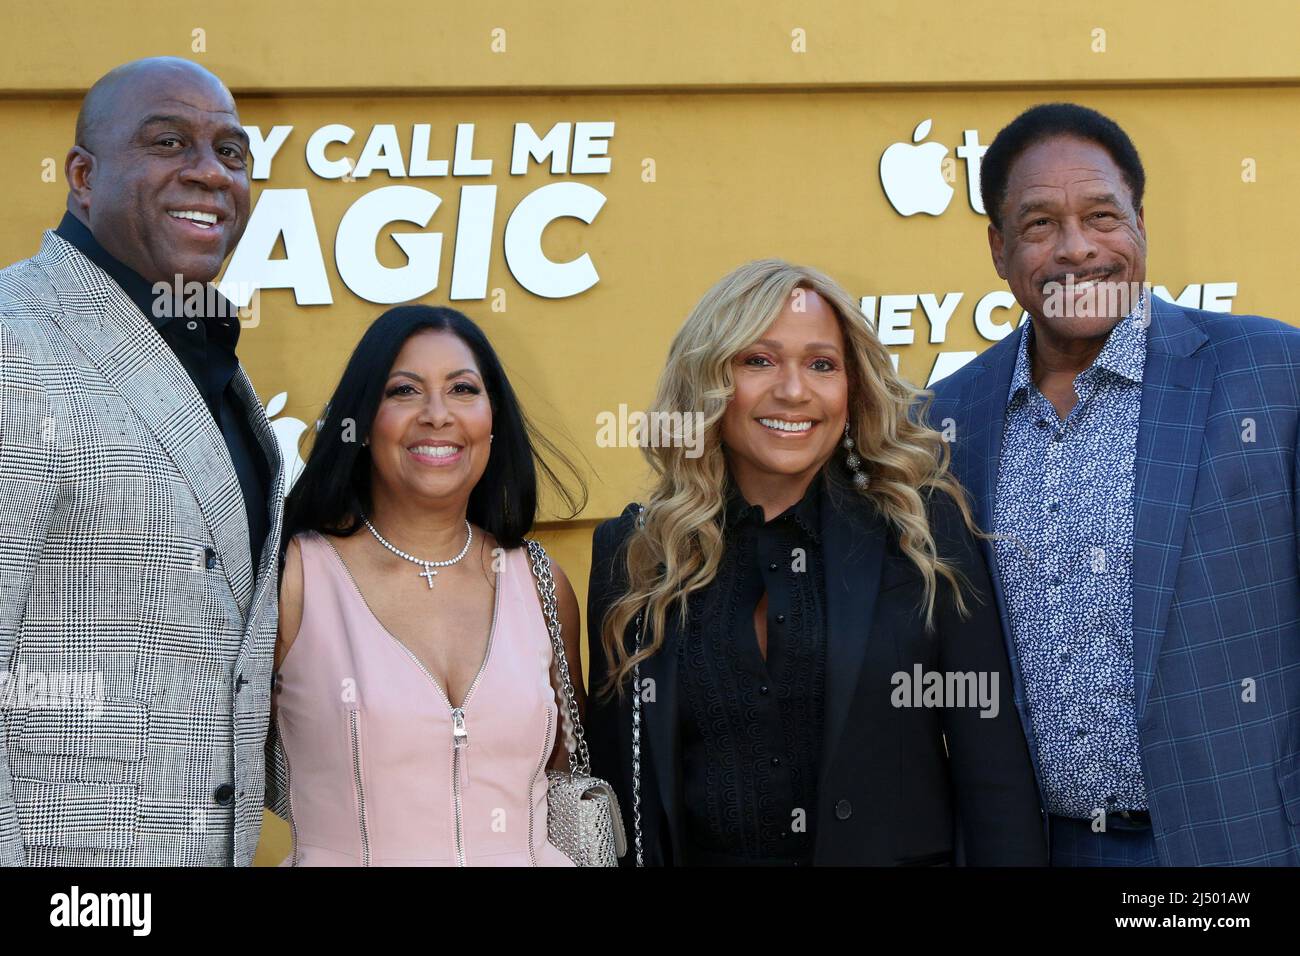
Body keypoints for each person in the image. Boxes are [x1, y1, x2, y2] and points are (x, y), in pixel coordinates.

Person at [928, 102, 1300, 866]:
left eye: (1102, 216)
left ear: (1140, 223)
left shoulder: (1271, 374)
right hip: (1041, 848)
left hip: (1241, 845)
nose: (1077, 250)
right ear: (999, 249)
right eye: (1038, 226)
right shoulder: (946, 419)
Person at [585, 259, 1046, 866]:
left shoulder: (921, 532)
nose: (794, 390)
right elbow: (620, 784)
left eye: (822, 364)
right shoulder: (638, 552)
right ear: (708, 381)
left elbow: (995, 779)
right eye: (759, 360)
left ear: (852, 390)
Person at [0, 57, 280, 866]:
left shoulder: (211, 365)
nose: (209, 172)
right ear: (83, 177)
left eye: (232, 153)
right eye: (169, 141)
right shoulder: (17, 342)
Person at [270, 305, 589, 866]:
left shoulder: (541, 584)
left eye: (463, 389)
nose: (437, 415)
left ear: (493, 420)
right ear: (364, 423)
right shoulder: (295, 578)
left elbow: (566, 776)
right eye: (404, 391)